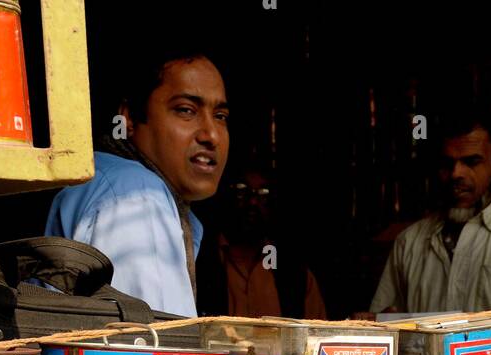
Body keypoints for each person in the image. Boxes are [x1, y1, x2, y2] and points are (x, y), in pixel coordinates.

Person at [46, 51, 229, 316]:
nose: (211, 135)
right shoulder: (136, 194)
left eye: (221, 116)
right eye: (186, 110)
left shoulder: (112, 179)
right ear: (129, 118)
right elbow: (159, 348)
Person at [370, 107, 491, 315]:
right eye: (447, 164)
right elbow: (382, 327)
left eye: (471, 162)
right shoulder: (409, 243)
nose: (456, 173)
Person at [197, 165, 327, 319]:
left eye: (263, 193)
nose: (252, 202)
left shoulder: (293, 272)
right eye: (242, 190)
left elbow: (316, 336)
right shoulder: (201, 261)